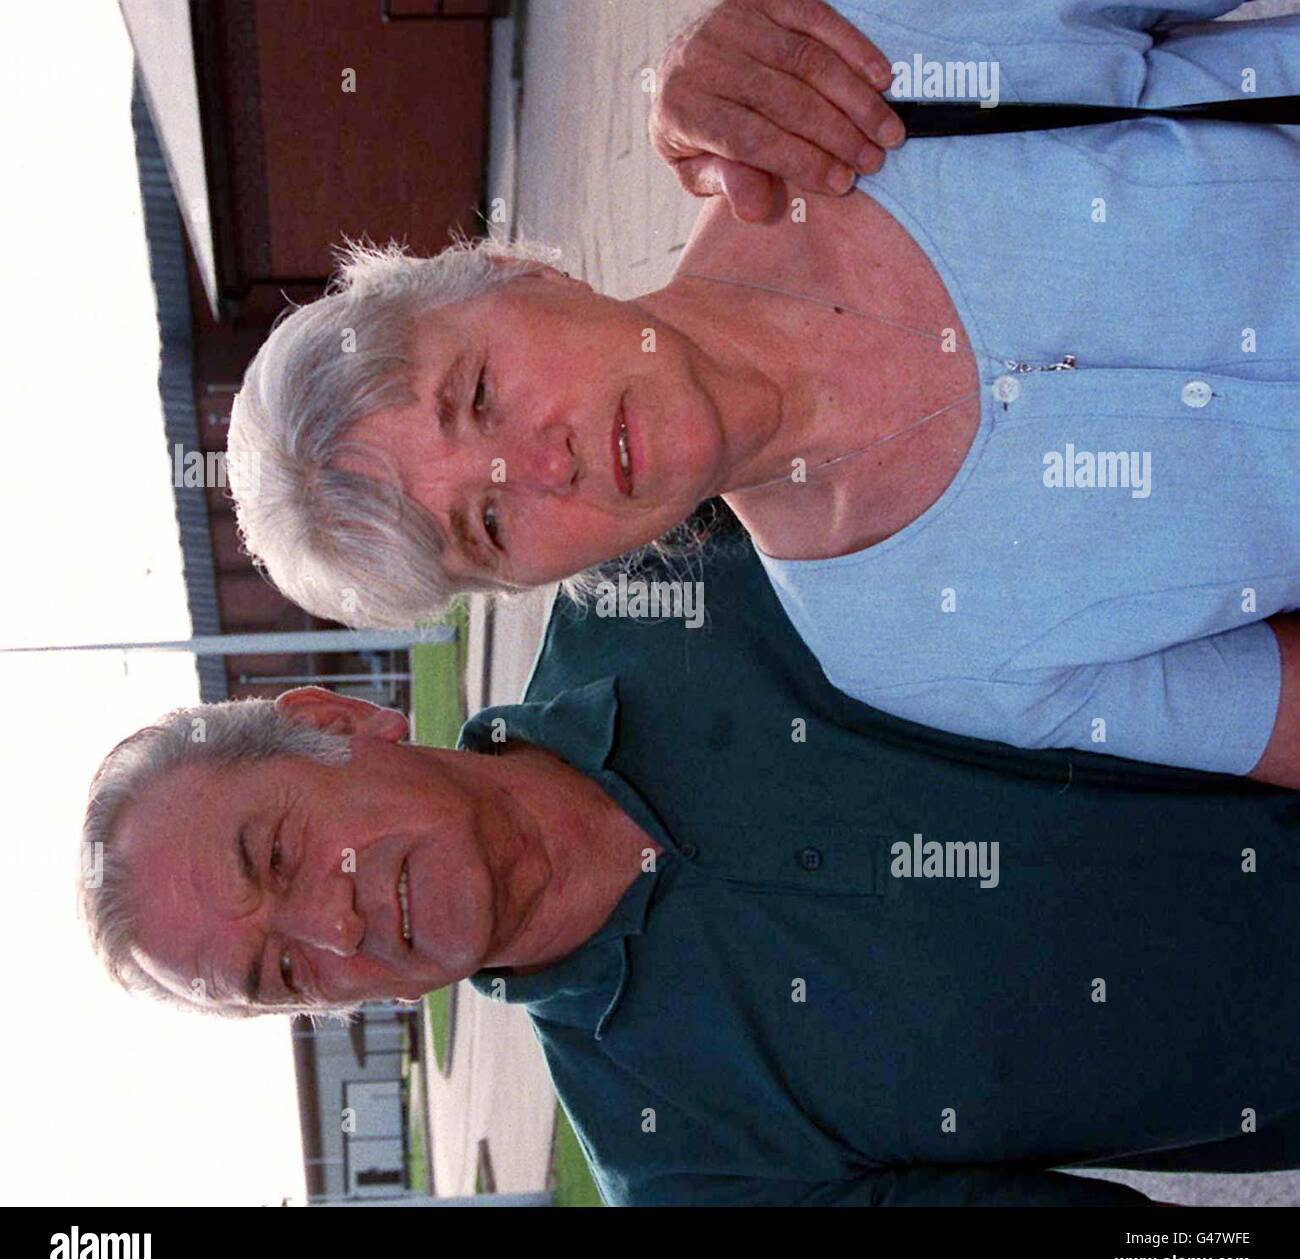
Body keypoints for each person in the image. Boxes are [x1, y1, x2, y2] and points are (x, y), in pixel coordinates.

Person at [225, 0, 1300, 786]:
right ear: (530, 582)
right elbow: (1273, 713)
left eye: (479, 395)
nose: (547, 466)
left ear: (513, 268)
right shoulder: (903, 648)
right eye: (489, 524)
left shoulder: (847, 72)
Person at [80, 535, 1300, 1206]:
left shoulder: (662, 562)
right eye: (285, 969)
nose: (335, 922)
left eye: (279, 854)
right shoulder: (683, 1168)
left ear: (338, 721)